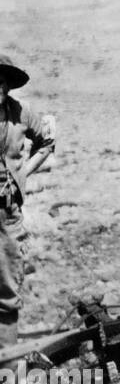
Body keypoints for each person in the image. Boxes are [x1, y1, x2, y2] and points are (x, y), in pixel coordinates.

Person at [0, 54, 55, 349]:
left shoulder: (22, 113)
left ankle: (4, 373)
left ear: (8, 85)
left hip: (6, 213)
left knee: (7, 291)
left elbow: (47, 143)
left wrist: (22, 173)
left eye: (2, 81)